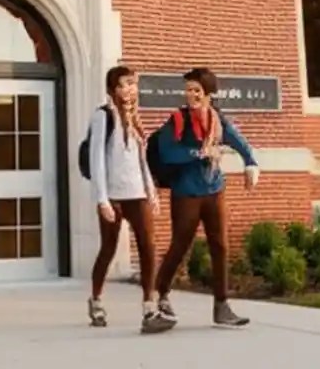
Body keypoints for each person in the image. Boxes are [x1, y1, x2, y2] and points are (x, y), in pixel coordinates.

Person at [152, 67, 260, 328]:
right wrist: (198, 154)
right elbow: (167, 152)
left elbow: (238, 140)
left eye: (196, 91)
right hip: (186, 192)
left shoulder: (217, 120)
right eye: (188, 90)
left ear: (209, 93)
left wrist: (251, 163)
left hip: (214, 189)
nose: (191, 95)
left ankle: (222, 306)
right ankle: (160, 292)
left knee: (220, 245)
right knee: (181, 245)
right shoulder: (177, 120)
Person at [87, 66, 176, 334]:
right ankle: (96, 300)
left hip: (137, 193)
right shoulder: (103, 116)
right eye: (124, 84)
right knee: (108, 249)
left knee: (149, 247)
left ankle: (149, 307)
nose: (129, 89)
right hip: (114, 196)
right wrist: (102, 198)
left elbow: (140, 160)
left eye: (133, 84)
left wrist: (151, 191)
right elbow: (97, 160)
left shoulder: (136, 118)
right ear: (113, 88)